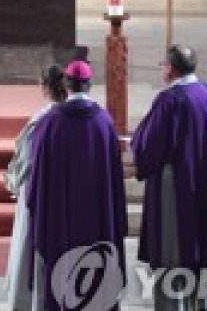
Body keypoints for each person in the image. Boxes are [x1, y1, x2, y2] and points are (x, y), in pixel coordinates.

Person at [25, 60, 126, 311]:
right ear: (89, 85)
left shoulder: (50, 123)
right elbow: (115, 175)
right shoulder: (104, 122)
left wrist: (32, 200)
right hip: (97, 218)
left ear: (66, 84)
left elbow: (36, 173)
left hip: (61, 223)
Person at [132, 45, 207, 311]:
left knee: (172, 256)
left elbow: (150, 144)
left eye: (162, 65)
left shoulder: (170, 99)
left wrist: (134, 144)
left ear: (171, 69)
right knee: (200, 250)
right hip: (205, 182)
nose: (161, 69)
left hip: (176, 187)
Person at [3, 64, 63, 311]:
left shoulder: (43, 120)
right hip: (64, 196)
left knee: (30, 251)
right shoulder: (72, 117)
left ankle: (29, 302)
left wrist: (12, 181)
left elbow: (26, 160)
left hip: (37, 194)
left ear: (43, 86)